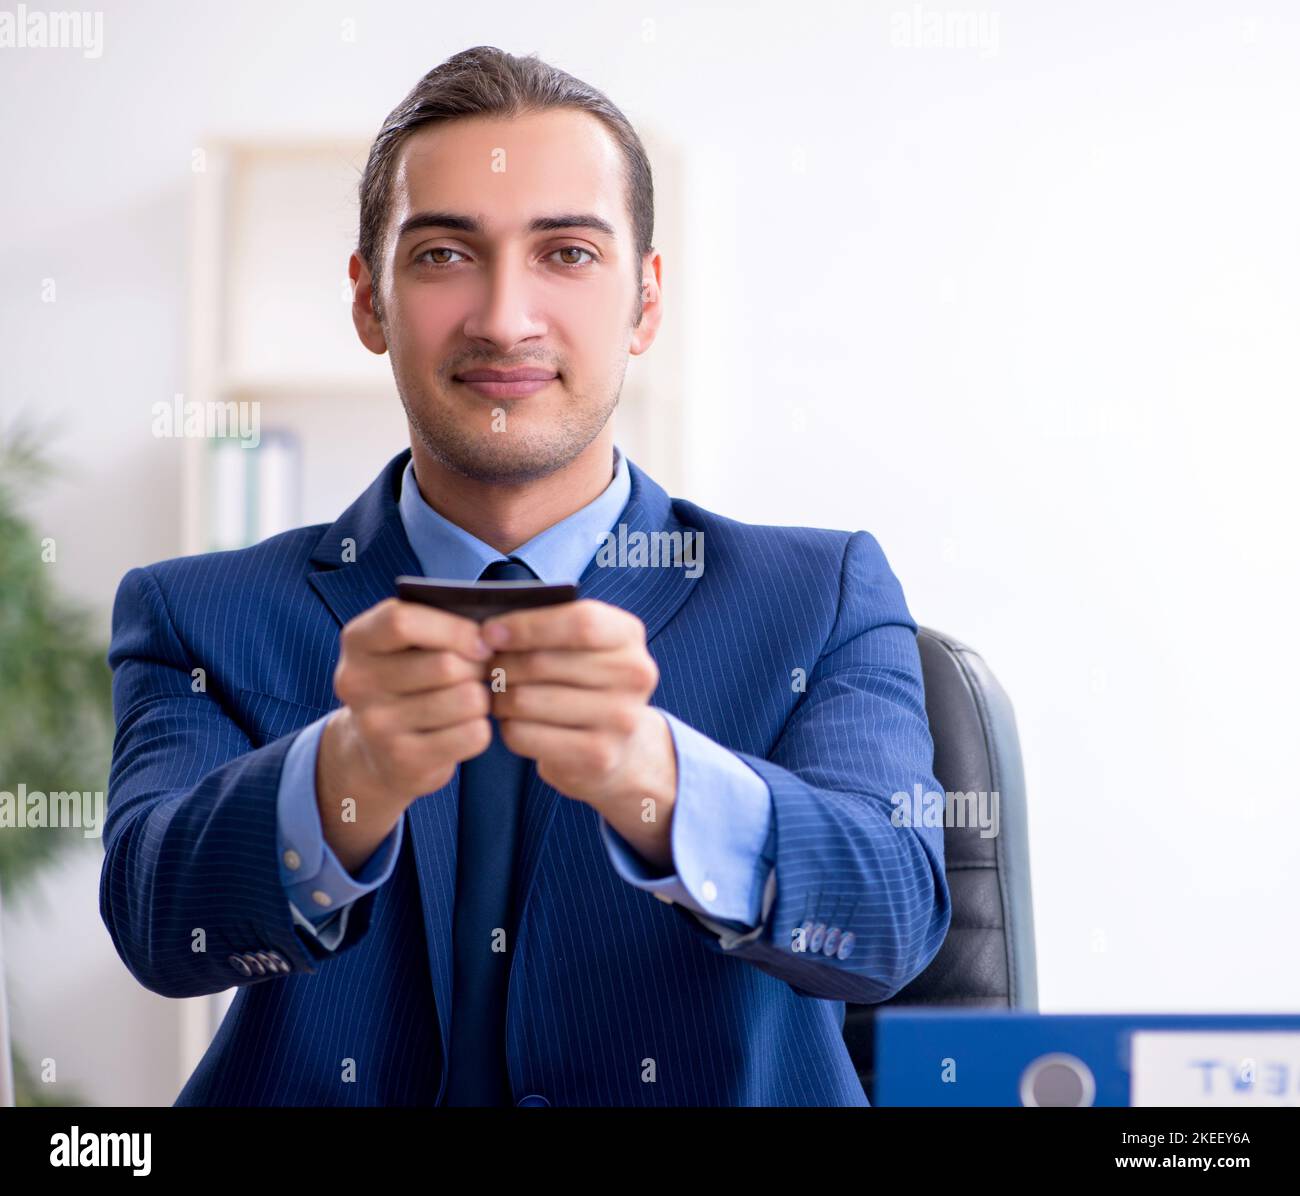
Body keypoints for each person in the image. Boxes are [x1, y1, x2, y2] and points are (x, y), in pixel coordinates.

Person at [100, 45, 951, 1107]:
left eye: (569, 254)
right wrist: (344, 774)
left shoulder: (819, 594)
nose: (505, 318)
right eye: (446, 254)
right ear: (369, 302)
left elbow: (891, 922)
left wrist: (659, 777)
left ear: (645, 301)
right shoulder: (199, 613)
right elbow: (156, 922)